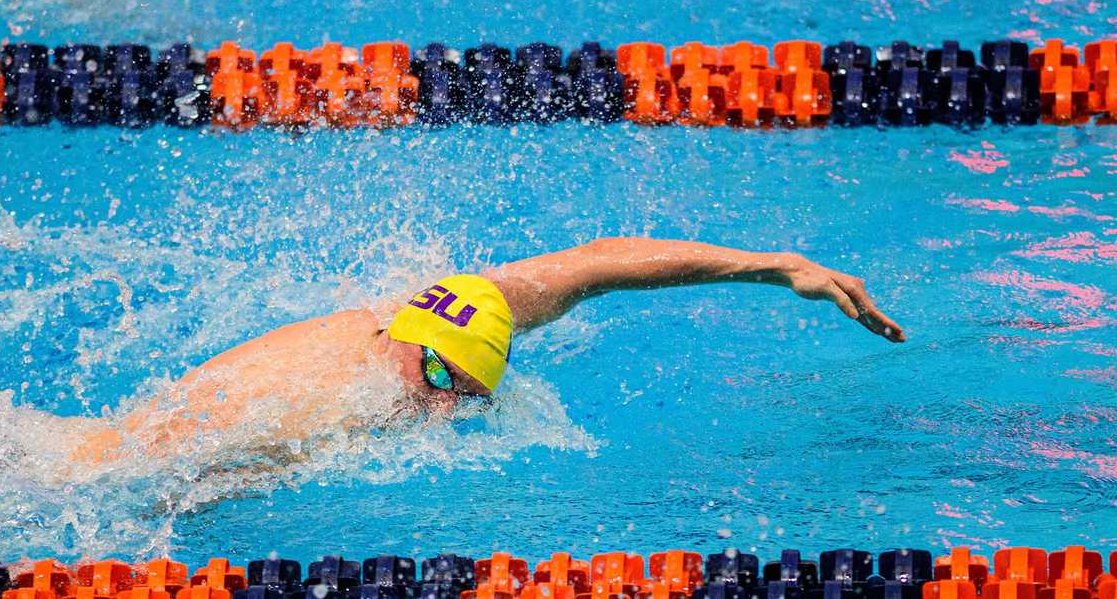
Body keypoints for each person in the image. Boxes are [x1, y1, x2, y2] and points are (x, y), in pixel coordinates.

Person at [72, 237, 904, 465]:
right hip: (69, 465)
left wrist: (778, 266)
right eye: (436, 375)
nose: (441, 405)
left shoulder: (440, 315)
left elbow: (597, 264)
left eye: (466, 395)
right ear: (411, 338)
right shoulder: (314, 405)